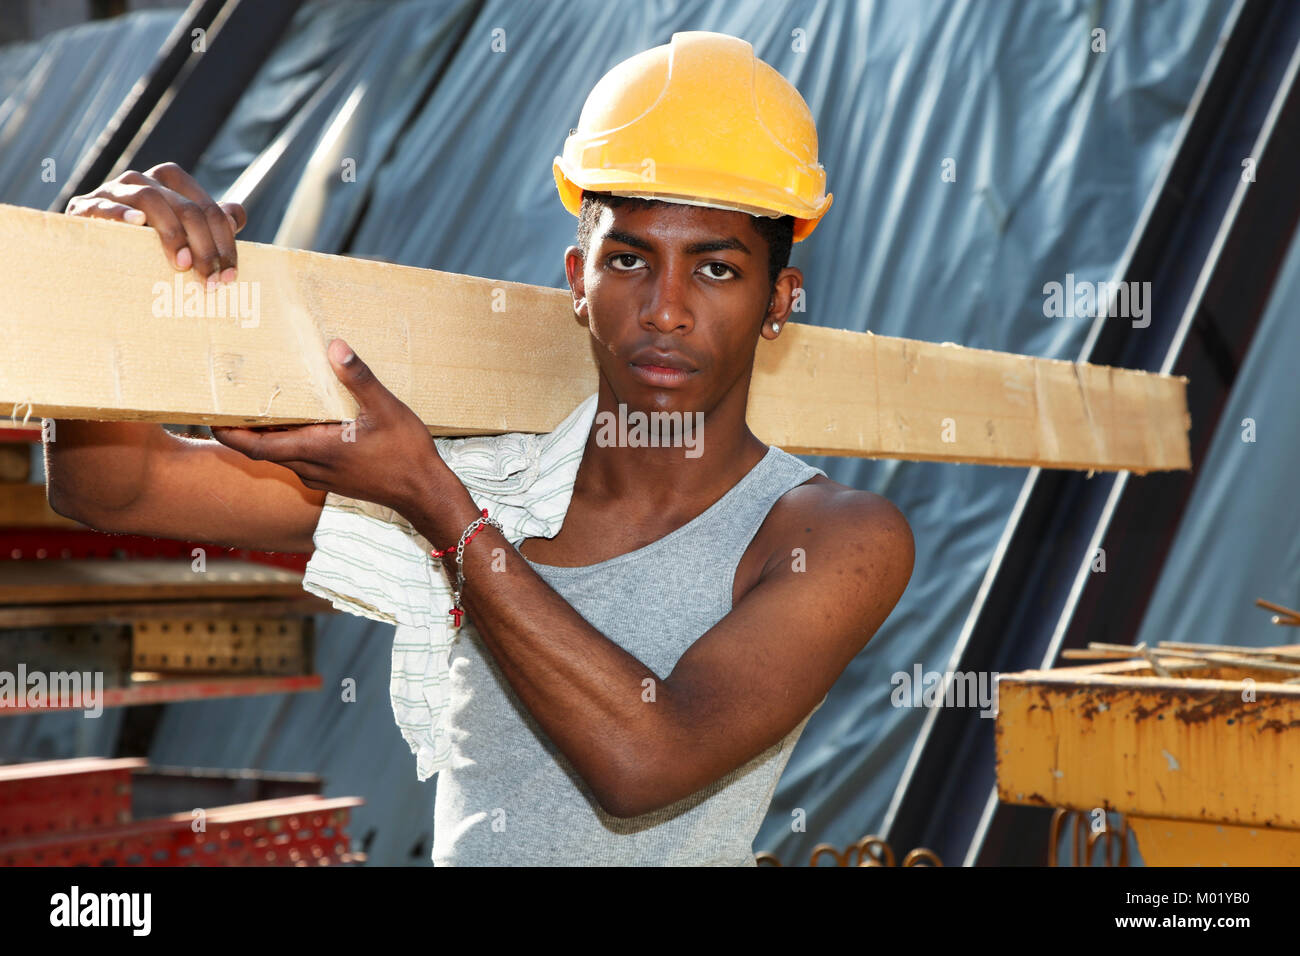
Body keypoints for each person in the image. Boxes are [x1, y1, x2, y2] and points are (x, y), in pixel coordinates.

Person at [48, 31, 913, 865]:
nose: (665, 308)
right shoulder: (495, 478)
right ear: (578, 283)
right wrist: (103, 281)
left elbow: (647, 763)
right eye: (628, 260)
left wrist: (435, 504)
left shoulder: (831, 536)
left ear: (779, 300)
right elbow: (113, 489)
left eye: (716, 269)